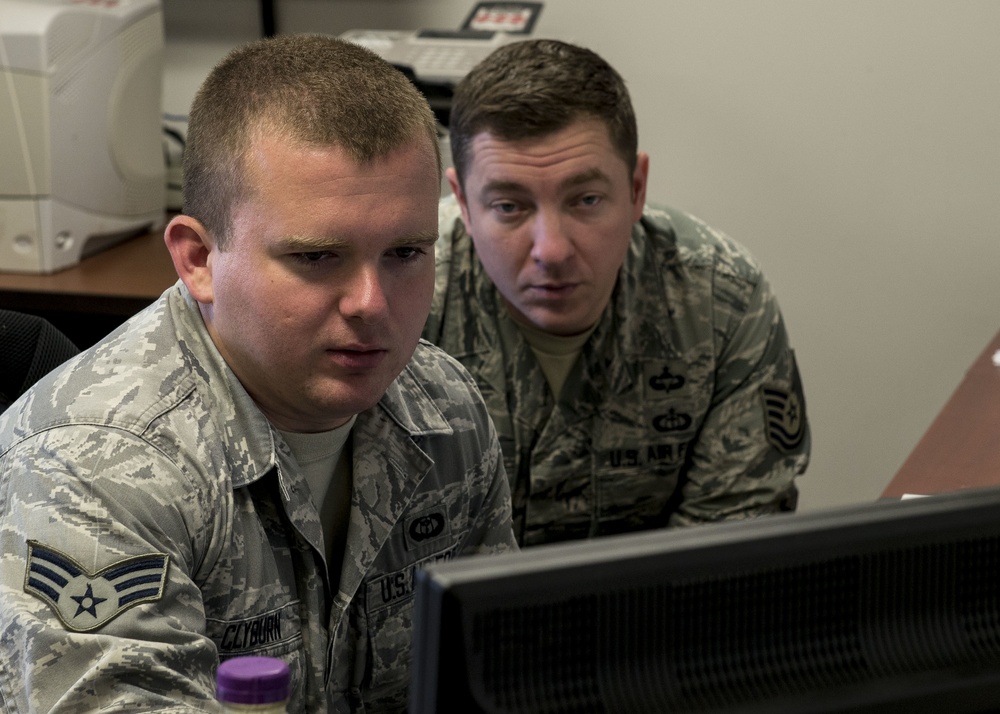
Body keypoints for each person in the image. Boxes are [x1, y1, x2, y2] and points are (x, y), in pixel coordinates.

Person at [0, 34, 516, 713]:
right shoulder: (95, 470)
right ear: (198, 259)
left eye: (406, 252)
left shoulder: (444, 407)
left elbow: (500, 673)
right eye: (316, 256)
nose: (372, 303)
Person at [423, 39, 810, 547]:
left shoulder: (722, 300)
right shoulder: (404, 296)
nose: (552, 249)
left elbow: (734, 544)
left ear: (636, 189)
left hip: (662, 619)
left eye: (586, 200)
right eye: (509, 207)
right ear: (464, 206)